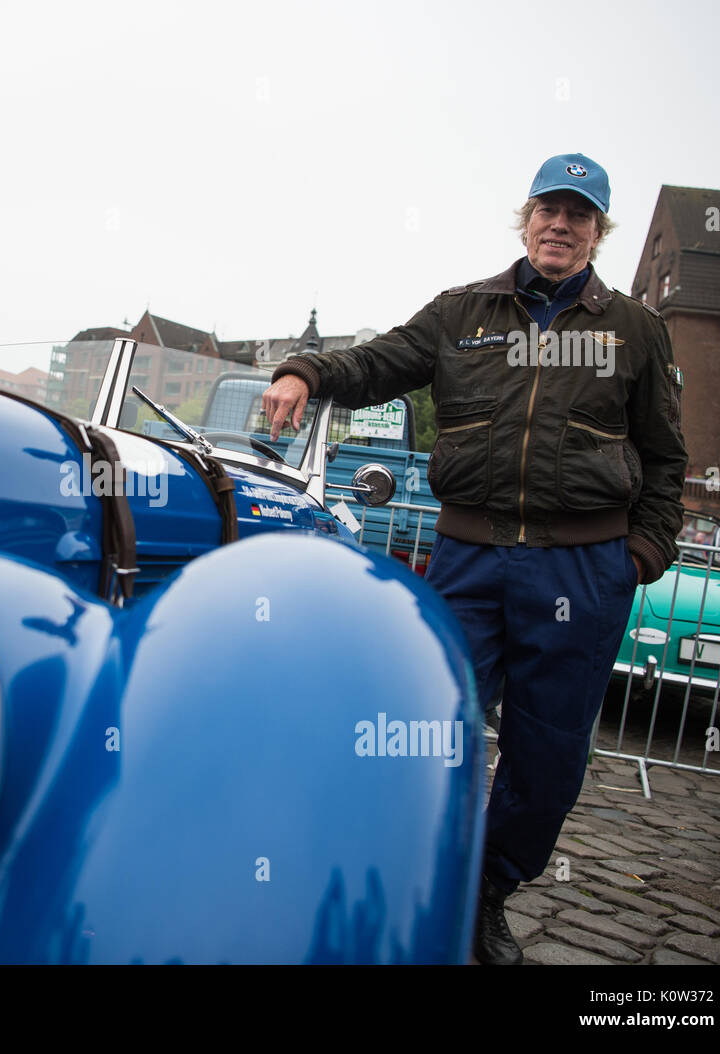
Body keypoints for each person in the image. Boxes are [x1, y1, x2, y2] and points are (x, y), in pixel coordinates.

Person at [262, 153, 688, 965]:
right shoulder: (462, 312)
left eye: (579, 214)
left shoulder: (634, 329)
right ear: (526, 220)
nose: (560, 225)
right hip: (470, 559)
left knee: (549, 756)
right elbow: (376, 362)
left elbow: (666, 456)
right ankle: (403, 876)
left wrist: (641, 553)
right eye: (548, 210)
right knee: (425, 722)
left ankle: (486, 893)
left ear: (598, 232)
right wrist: (305, 370)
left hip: (582, 571)